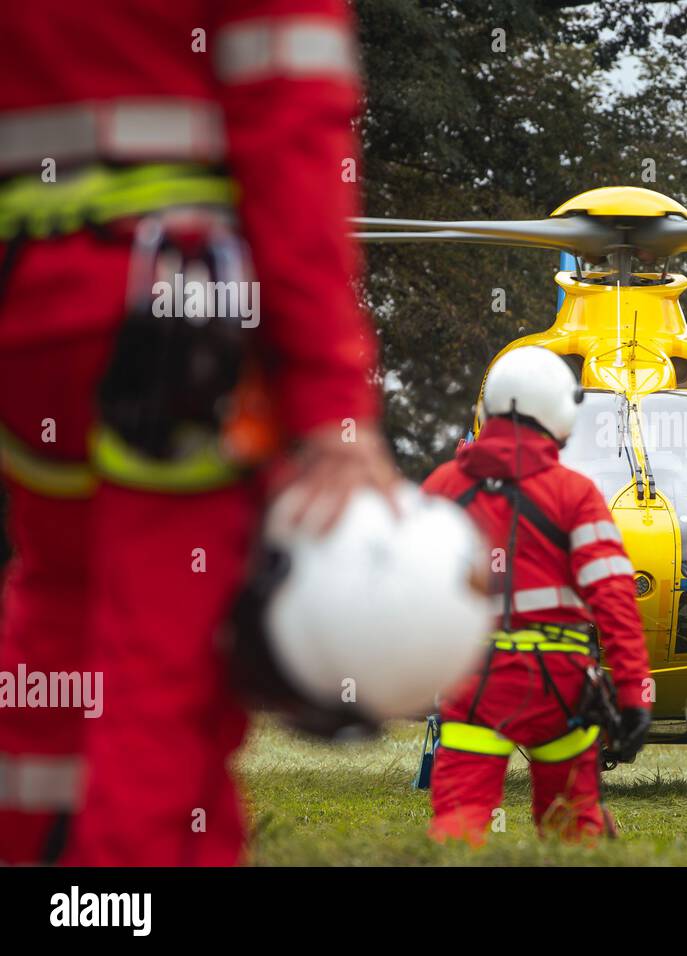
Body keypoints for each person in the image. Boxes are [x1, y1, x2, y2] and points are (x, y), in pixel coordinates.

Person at [0, 0, 397, 865]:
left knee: (56, 623)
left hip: (29, 309)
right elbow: (295, 133)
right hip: (173, 321)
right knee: (165, 671)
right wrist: (332, 403)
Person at [423, 347, 652, 843]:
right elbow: (614, 599)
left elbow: (411, 589)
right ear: (559, 413)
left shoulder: (443, 487)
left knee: (459, 820)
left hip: (473, 677)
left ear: (489, 410)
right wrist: (635, 693)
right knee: (575, 824)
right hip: (561, 683)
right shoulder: (576, 494)